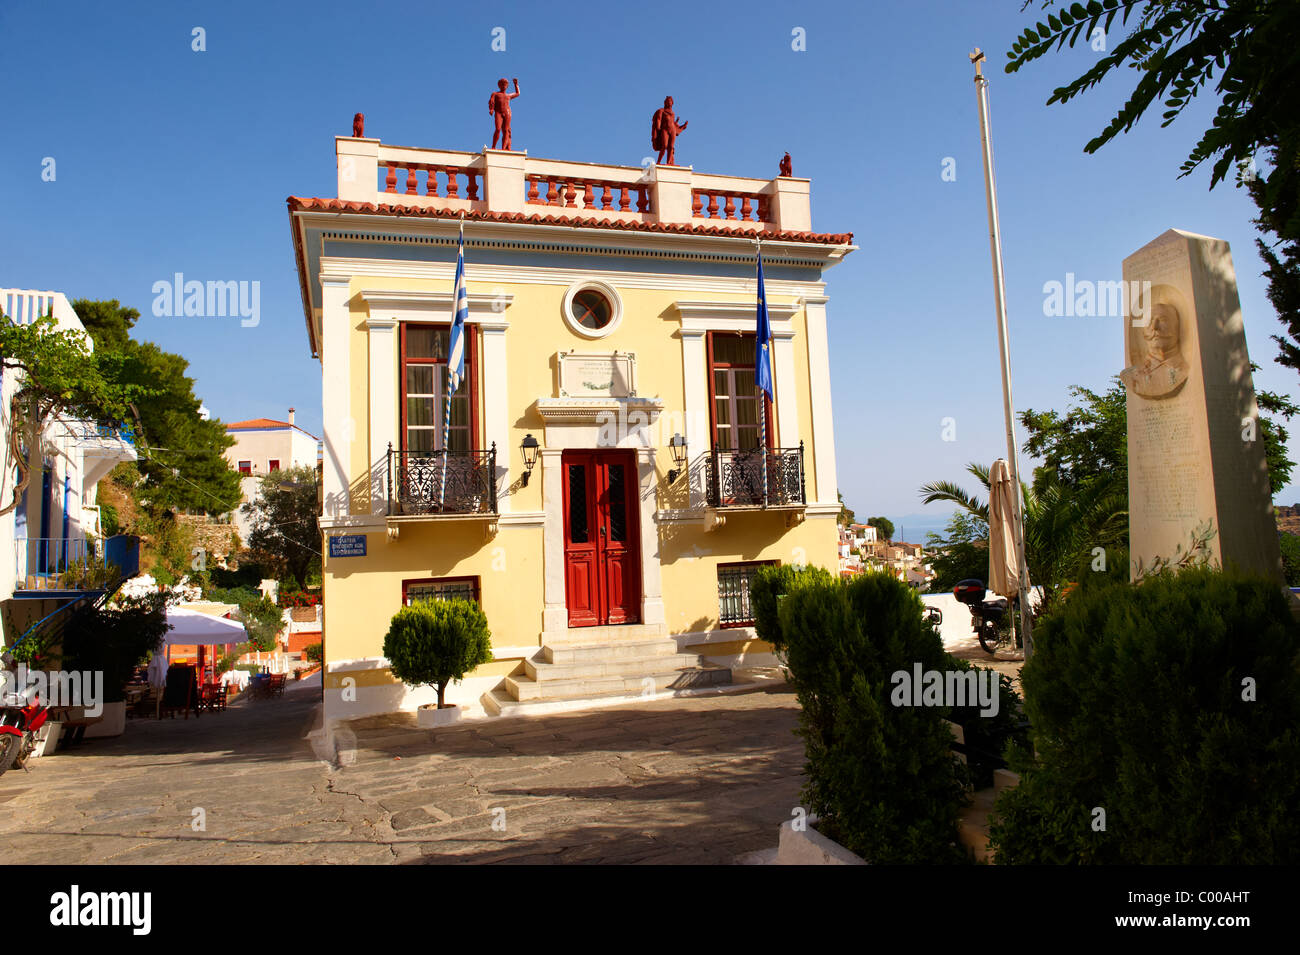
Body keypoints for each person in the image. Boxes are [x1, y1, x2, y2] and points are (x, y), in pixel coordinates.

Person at [1122, 301, 1190, 398]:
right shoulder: (1131, 376)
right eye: (1149, 322)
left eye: (1163, 320)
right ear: (1143, 332)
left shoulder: (1188, 369)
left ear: (1177, 326)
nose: (1154, 327)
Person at [652, 96, 688, 165]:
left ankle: (669, 163)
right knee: (664, 145)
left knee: (671, 147)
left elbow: (673, 123)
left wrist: (682, 126)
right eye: (667, 101)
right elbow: (658, 119)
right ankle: (658, 162)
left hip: (672, 130)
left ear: (672, 103)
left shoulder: (673, 113)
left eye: (670, 101)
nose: (669, 102)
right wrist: (658, 127)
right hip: (665, 129)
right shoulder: (661, 111)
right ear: (665, 102)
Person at [489, 78, 521, 150]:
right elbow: (491, 102)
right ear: (499, 86)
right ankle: (493, 146)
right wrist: (491, 109)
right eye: (502, 84)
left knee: (506, 130)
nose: (504, 86)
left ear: (507, 86)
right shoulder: (495, 94)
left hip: (507, 113)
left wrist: (516, 85)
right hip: (498, 112)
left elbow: (517, 93)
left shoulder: (508, 96)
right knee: (498, 129)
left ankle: (504, 148)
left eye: (505, 85)